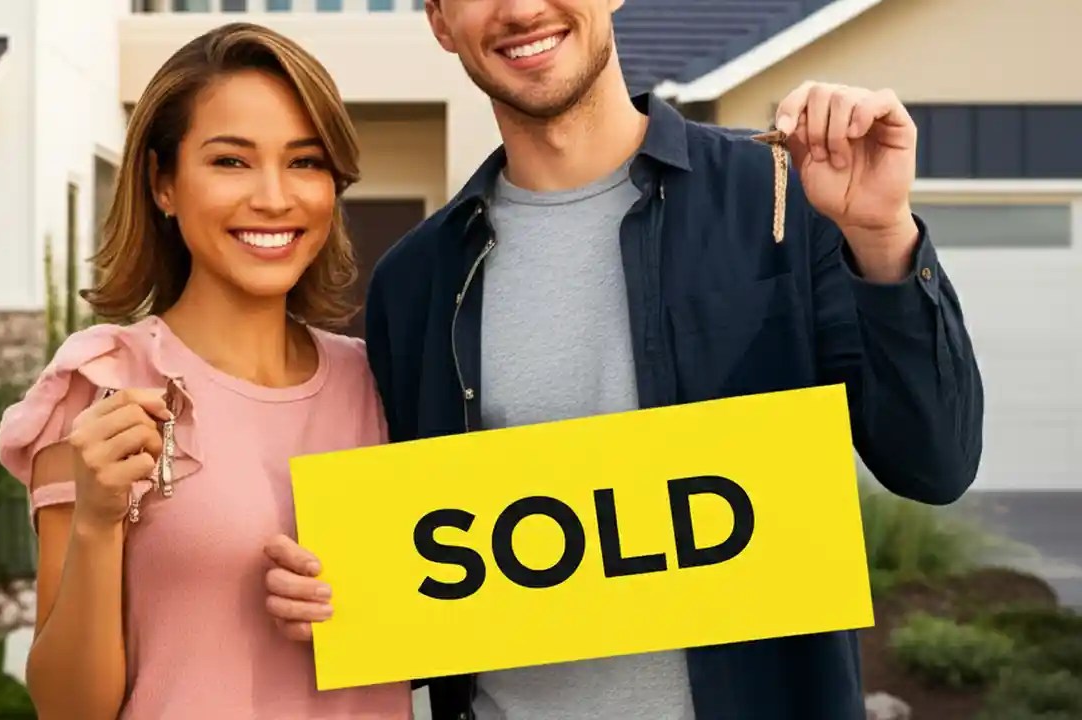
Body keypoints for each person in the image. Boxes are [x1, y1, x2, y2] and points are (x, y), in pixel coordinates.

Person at [262, 0, 985, 717]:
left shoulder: (782, 197)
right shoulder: (415, 281)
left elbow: (934, 463)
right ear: (440, 21)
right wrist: (333, 591)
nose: (518, 9)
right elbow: (423, 579)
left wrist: (883, 234)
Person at [0, 22, 412, 720]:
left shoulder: (381, 387)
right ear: (163, 183)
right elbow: (68, 710)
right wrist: (98, 522)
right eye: (231, 162)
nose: (276, 197)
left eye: (305, 162)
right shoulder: (105, 384)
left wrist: (375, 609)